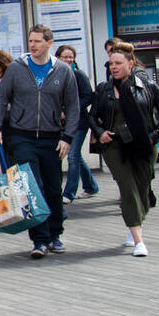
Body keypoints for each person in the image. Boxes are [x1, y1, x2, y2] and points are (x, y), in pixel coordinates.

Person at [0, 24, 79, 259]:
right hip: (22, 135)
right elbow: (0, 98)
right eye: (30, 41)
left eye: (38, 41)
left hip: (52, 137)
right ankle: (39, 240)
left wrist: (68, 137)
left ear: (49, 43)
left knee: (52, 188)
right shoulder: (17, 69)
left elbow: (73, 106)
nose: (33, 45)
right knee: (31, 187)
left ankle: (55, 235)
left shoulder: (62, 70)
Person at [90, 43, 159, 258]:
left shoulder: (146, 85)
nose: (113, 67)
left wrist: (154, 137)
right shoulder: (104, 88)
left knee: (143, 190)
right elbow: (92, 115)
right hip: (115, 146)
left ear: (130, 64)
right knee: (128, 188)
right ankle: (139, 240)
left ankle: (134, 223)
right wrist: (101, 131)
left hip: (143, 145)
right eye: (111, 64)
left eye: (118, 63)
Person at [56, 45, 99, 204]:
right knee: (76, 156)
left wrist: (69, 110)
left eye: (71, 57)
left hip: (79, 122)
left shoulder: (79, 75)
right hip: (62, 124)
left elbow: (88, 96)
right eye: (65, 57)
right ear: (58, 58)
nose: (69, 60)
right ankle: (91, 186)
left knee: (73, 155)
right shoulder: (55, 75)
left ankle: (69, 193)